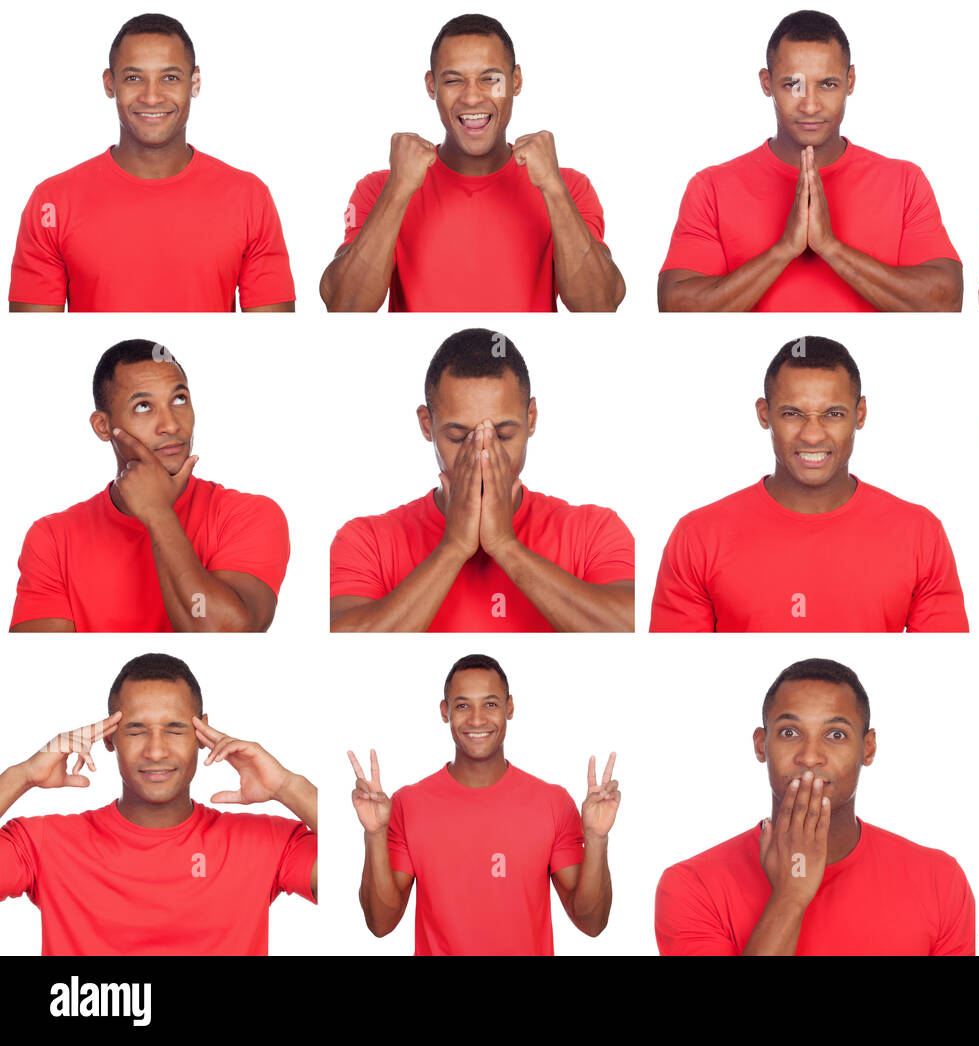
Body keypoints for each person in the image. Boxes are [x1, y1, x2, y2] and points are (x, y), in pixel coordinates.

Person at [0, 653, 317, 955]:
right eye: (136, 731)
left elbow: (355, 877)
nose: (155, 751)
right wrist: (23, 775)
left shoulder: (265, 842)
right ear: (110, 738)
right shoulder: (42, 843)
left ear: (201, 731)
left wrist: (288, 786)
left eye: (175, 729)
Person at [655, 658, 974, 954]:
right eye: (789, 732)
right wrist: (790, 896)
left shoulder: (940, 881)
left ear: (868, 748)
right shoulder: (691, 886)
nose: (809, 756)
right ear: (760, 745)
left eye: (836, 734)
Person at [650, 336, 967, 631]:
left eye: (833, 413)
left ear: (860, 414)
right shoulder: (698, 536)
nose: (812, 435)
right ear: (765, 414)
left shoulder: (920, 533)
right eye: (792, 413)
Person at [330, 328, 634, 632]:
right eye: (459, 436)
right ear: (427, 425)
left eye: (503, 435)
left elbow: (630, 628)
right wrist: (453, 547)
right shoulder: (366, 540)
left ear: (531, 419)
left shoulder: (592, 530)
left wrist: (504, 545)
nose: (482, 453)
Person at [658, 10, 961, 312]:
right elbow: (675, 308)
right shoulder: (711, 187)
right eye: (793, 85)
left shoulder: (905, 181)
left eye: (827, 84)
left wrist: (831, 248)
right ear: (767, 83)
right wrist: (784, 250)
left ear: (850, 81)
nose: (811, 105)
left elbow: (946, 302)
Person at [320, 13, 623, 312]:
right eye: (453, 80)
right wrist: (397, 191)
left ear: (515, 81)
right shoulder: (379, 188)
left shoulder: (569, 187)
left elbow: (600, 305)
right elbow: (343, 307)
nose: (472, 97)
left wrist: (554, 189)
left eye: (491, 79)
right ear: (431, 86)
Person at [8, 13, 295, 313]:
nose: (152, 97)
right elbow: (32, 344)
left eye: (169, 77)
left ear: (195, 82)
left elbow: (272, 341)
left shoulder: (249, 197)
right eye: (134, 78)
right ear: (110, 84)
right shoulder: (52, 202)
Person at [10, 339, 291, 633]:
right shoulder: (53, 538)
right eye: (144, 406)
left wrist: (157, 514)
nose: (171, 425)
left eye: (179, 399)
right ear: (103, 427)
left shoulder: (248, 515)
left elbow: (223, 634)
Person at [348, 653, 619, 955]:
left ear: (510, 708)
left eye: (490, 704)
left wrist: (596, 838)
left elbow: (592, 923)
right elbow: (380, 924)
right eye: (462, 705)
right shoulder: (407, 804)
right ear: (444, 711)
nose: (476, 720)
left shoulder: (553, 802)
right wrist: (374, 834)